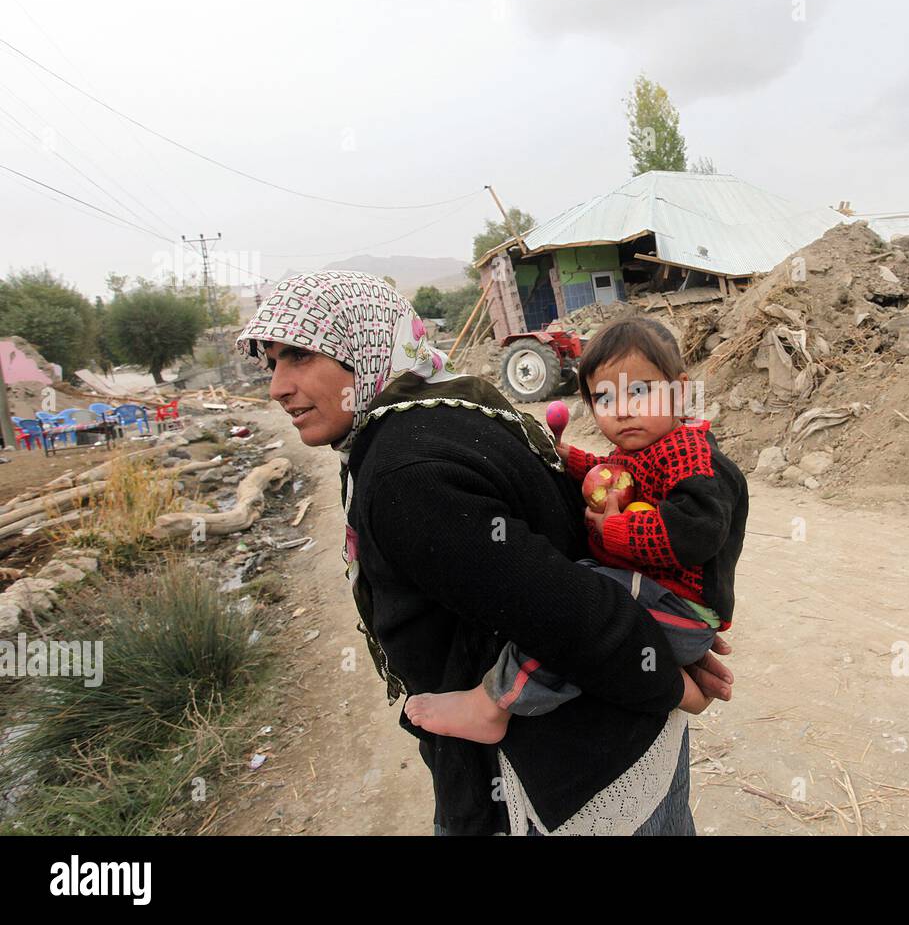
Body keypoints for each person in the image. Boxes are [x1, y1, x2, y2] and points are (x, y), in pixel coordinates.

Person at [235, 271, 734, 835]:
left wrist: (669, 681)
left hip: (574, 786)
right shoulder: (457, 405)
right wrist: (662, 642)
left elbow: (568, 608)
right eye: (272, 362)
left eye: (299, 355)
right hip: (628, 744)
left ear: (364, 346)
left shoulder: (408, 475)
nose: (277, 386)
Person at [404, 317, 748, 746]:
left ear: (680, 391)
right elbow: (615, 475)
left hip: (684, 609)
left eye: (639, 391)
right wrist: (573, 460)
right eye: (604, 397)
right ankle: (679, 683)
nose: (622, 410)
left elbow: (698, 531)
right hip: (661, 600)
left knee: (573, 607)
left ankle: (493, 706)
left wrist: (618, 529)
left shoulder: (691, 455)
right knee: (576, 583)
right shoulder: (643, 449)